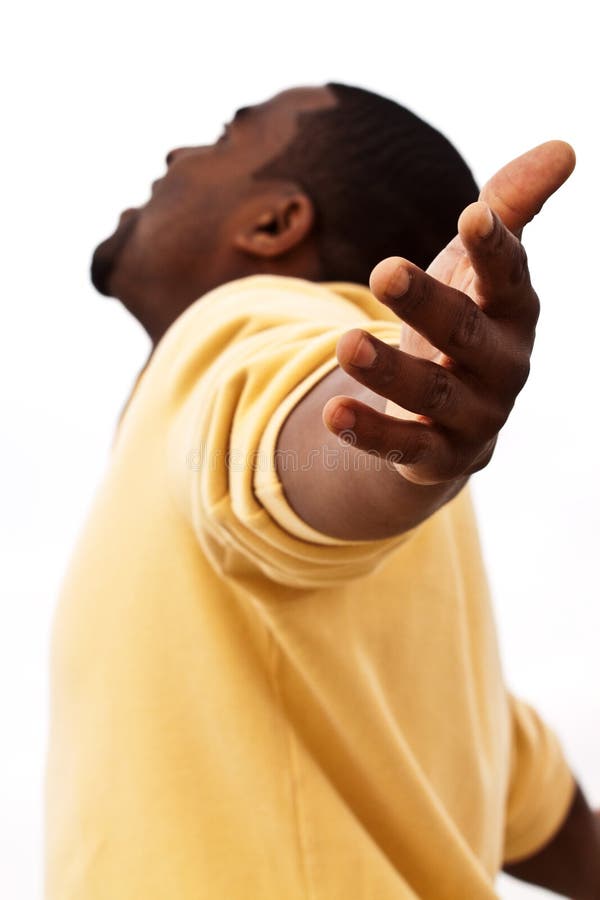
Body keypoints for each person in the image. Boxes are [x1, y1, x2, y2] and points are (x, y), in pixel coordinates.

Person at [44, 83, 598, 899]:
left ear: (273, 224)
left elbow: (288, 434)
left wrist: (385, 423)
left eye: (228, 133)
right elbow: (534, 801)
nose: (176, 155)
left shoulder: (243, 326)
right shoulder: (430, 612)